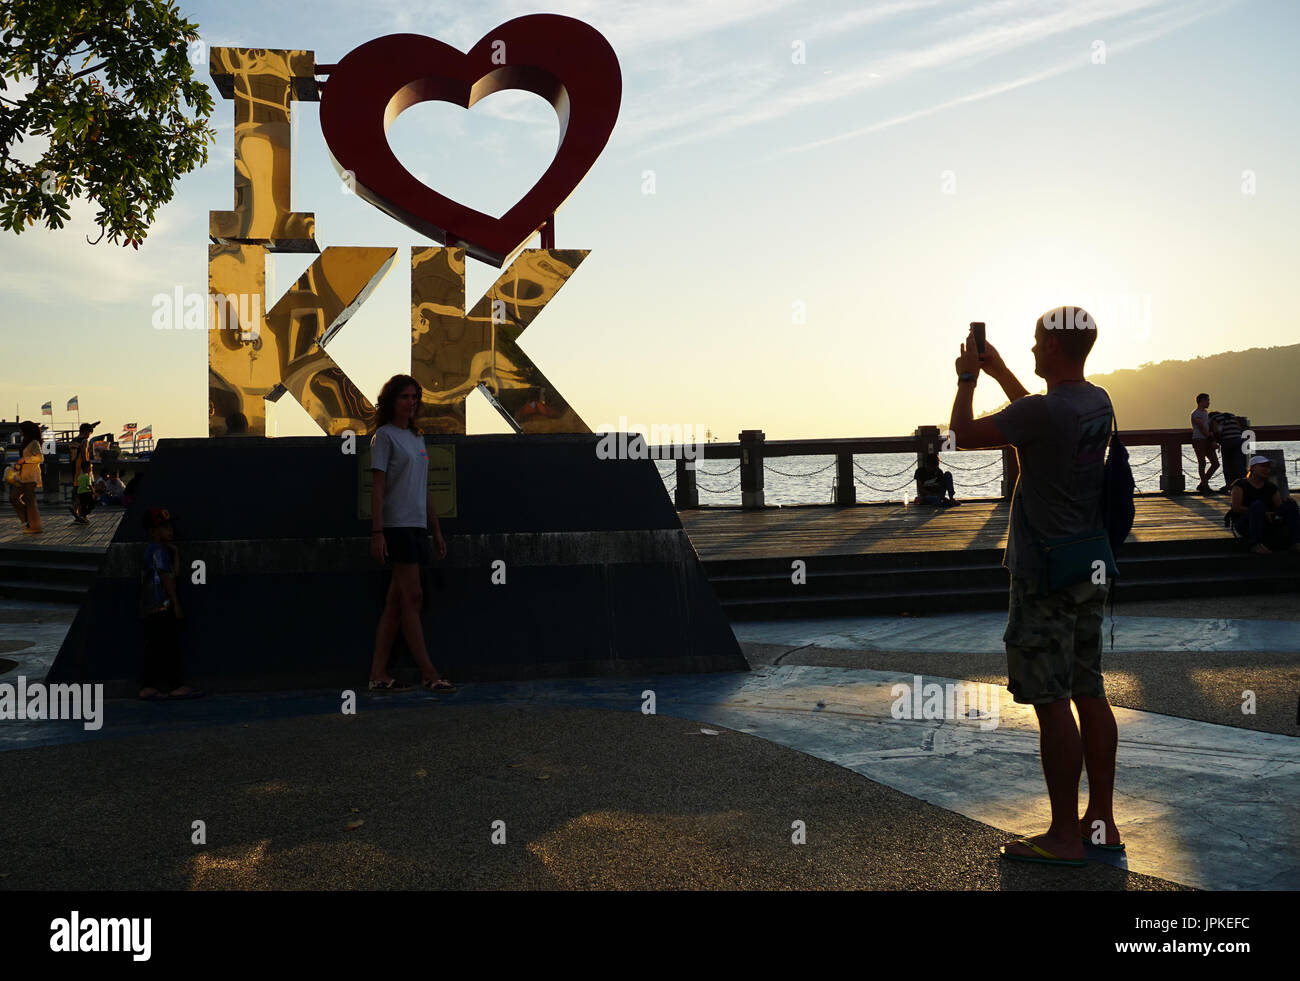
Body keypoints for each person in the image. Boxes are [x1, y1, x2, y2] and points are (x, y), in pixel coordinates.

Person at [949, 306, 1121, 866]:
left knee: (1051, 703)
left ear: (1050, 348)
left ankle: (1064, 837)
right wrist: (1000, 372)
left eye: (1034, 343)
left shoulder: (1046, 411)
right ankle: (1100, 822)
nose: (1029, 350)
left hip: (1044, 574)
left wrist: (967, 378)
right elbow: (1038, 417)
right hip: (1089, 564)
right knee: (1089, 691)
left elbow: (965, 436)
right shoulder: (1097, 402)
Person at [368, 374, 456, 694]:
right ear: (392, 400)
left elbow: (425, 488)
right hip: (396, 527)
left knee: (396, 603)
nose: (411, 402)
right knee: (413, 597)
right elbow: (377, 491)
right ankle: (430, 673)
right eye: (405, 396)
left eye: (414, 397)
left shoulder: (418, 439)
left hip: (417, 527)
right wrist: (377, 533)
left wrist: (436, 530)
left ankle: (378, 673)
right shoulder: (384, 437)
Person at [138, 507, 203, 700]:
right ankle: (174, 685)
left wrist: (175, 554)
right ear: (153, 532)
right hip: (161, 606)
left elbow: (172, 573)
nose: (170, 530)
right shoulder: (158, 550)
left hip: (152, 607)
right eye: (164, 527)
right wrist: (176, 604)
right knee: (169, 646)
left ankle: (149, 686)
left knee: (156, 647)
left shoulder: (157, 550)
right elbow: (168, 578)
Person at [1228, 456, 1300, 554]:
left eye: (1268, 467)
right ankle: (1255, 544)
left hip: (1266, 521)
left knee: (1291, 504)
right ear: (1252, 468)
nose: (1266, 469)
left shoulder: (1270, 486)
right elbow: (1236, 508)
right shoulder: (1240, 485)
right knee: (1258, 505)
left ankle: (1296, 542)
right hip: (1245, 522)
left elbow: (1278, 507)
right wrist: (1262, 512)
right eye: (1262, 466)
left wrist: (1285, 506)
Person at [8, 421, 44, 534]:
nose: (20, 432)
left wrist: (24, 460)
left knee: (29, 501)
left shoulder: (34, 442)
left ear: (26, 430)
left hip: (31, 477)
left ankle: (33, 525)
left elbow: (40, 458)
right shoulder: (26, 441)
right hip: (23, 476)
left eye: (21, 429)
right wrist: (18, 465)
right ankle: (28, 520)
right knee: (14, 497)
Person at [1190, 393, 1218, 493]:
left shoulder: (1206, 413)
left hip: (1207, 440)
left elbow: (1207, 427)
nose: (1209, 402)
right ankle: (1205, 486)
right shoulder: (1196, 414)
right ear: (1201, 401)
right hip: (1199, 440)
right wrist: (1212, 439)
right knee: (1202, 463)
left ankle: (1203, 483)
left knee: (1215, 463)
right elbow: (1202, 428)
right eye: (1207, 400)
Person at [1211, 410, 1245, 490]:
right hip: (1238, 440)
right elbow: (1239, 427)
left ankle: (1229, 484)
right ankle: (1244, 483)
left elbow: (1216, 430)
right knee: (1239, 464)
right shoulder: (1232, 415)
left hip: (1227, 442)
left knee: (1227, 464)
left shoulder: (1215, 418)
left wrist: (1218, 441)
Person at [68, 422, 94, 522]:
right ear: (86, 431)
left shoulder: (73, 441)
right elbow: (84, 454)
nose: (89, 435)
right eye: (89, 433)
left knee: (77, 489)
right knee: (85, 491)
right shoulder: (84, 441)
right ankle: (80, 512)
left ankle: (75, 508)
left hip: (74, 468)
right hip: (82, 468)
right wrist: (88, 467)